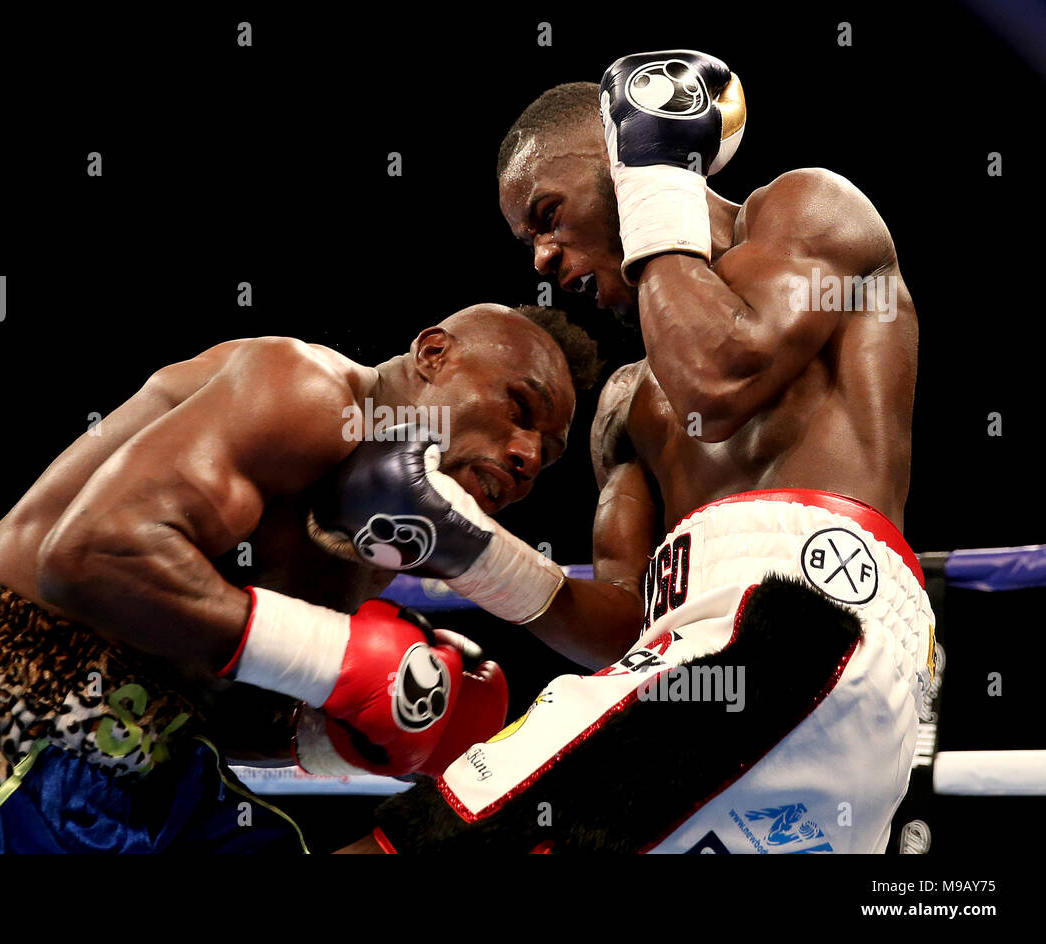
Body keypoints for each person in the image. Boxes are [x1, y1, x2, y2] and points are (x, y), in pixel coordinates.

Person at [334, 51, 934, 853]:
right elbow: (629, 624)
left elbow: (721, 379)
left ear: (619, 159)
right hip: (712, 675)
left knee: (428, 837)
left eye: (547, 215)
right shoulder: (623, 407)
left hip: (808, 624)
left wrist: (658, 184)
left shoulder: (807, 209)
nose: (543, 258)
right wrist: (468, 551)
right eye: (528, 242)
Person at [0, 302, 596, 853]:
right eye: (518, 408)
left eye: (549, 456)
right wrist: (340, 661)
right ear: (433, 355)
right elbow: (91, 554)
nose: (528, 457)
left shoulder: (377, 538)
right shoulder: (307, 390)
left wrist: (333, 740)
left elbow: (216, 688)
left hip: (152, 764)